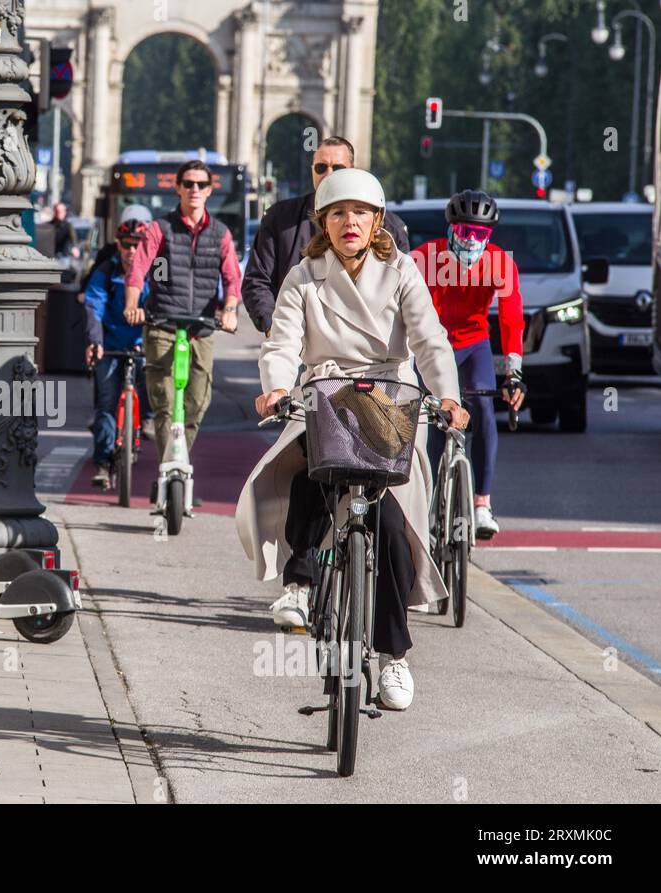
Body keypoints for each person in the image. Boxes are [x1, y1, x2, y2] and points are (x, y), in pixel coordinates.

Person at [236, 169, 469, 710]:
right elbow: (282, 341)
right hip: (325, 390)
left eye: (360, 213)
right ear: (323, 222)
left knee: (391, 526)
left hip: (390, 399)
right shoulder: (303, 276)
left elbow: (430, 339)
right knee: (306, 472)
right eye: (338, 213)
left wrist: (448, 396)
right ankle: (298, 584)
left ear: (376, 222)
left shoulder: (402, 271)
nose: (349, 222)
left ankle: (394, 657)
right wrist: (274, 388)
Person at [412, 189, 525, 539]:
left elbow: (511, 318)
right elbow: (407, 313)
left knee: (484, 410)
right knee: (431, 417)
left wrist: (514, 371)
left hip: (473, 343)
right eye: (464, 232)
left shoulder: (501, 263)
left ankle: (481, 505)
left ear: (490, 236)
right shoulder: (424, 258)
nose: (472, 240)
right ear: (450, 230)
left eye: (480, 234)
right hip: (432, 343)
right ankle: (426, 503)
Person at [122, 160, 241, 475]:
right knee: (164, 403)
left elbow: (232, 280)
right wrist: (132, 305)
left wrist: (229, 312)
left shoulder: (220, 234)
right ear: (177, 188)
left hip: (200, 327)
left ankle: (176, 467)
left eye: (201, 184)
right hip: (162, 322)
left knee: (196, 405)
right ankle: (168, 470)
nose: (194, 190)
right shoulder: (159, 229)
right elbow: (139, 271)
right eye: (188, 184)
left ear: (210, 190)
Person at [242, 136, 411, 336]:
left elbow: (403, 289)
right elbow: (257, 280)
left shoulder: (389, 225)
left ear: (353, 169)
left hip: (365, 346)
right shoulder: (279, 218)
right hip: (297, 342)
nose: (329, 174)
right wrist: (272, 325)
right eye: (321, 167)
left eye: (338, 168)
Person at [84, 216, 155, 488]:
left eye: (138, 245)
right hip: (110, 345)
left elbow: (165, 299)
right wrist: (95, 340)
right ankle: (102, 464)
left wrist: (148, 316)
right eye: (127, 245)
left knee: (153, 385)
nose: (132, 251)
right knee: (106, 405)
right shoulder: (106, 269)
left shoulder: (155, 269)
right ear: (118, 244)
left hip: (142, 344)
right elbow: (93, 305)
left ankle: (145, 421)